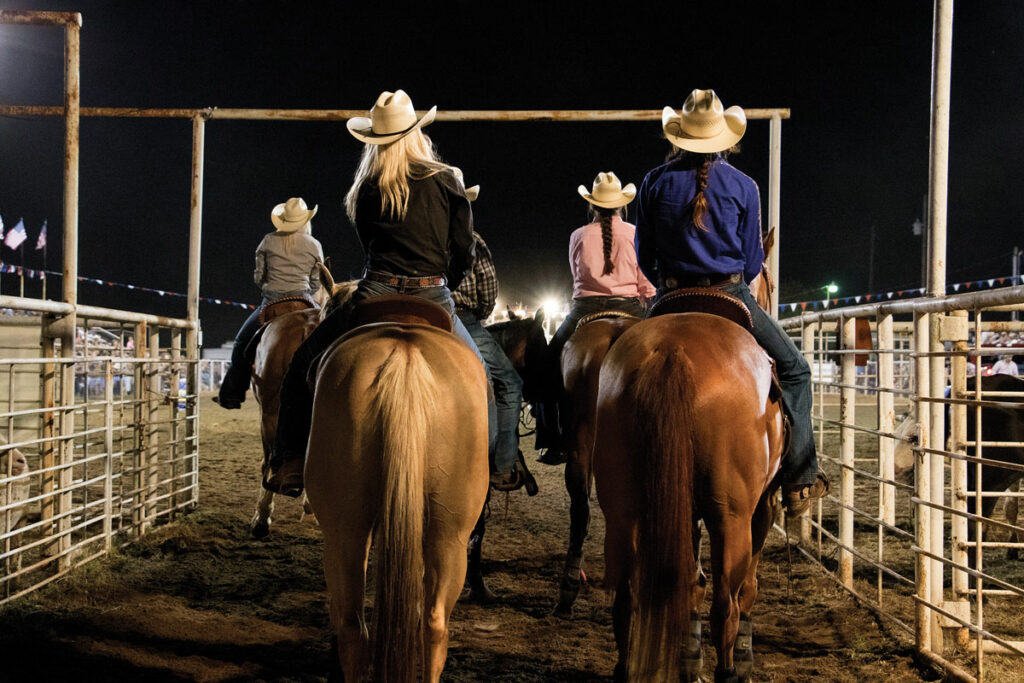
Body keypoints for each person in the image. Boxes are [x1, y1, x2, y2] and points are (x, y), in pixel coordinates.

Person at [264, 89, 484, 496]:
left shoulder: (366, 186)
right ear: (418, 132)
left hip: (375, 290)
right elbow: (465, 248)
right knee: (482, 377)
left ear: (376, 140)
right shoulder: (447, 179)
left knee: (301, 364)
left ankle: (290, 460)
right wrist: (444, 283)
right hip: (432, 294)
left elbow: (369, 248)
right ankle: (483, 463)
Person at [635, 88, 829, 516]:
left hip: (670, 295)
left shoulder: (653, 182)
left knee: (618, 373)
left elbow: (644, 254)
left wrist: (666, 283)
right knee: (796, 370)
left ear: (679, 137)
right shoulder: (744, 186)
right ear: (725, 138)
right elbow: (753, 260)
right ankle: (799, 478)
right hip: (728, 292)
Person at [534, 171, 656, 465]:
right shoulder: (636, 232)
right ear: (621, 206)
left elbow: (578, 277)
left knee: (546, 367)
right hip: (630, 307)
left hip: (585, 308)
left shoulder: (577, 235)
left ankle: (552, 438)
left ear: (592, 206)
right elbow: (646, 284)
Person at [449, 171, 526, 490]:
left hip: (418, 311)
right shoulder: (473, 240)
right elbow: (489, 289)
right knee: (508, 381)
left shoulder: (422, 233)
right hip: (461, 317)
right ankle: (502, 463)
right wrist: (478, 314)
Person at [215, 197, 323, 409]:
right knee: (332, 335)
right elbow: (316, 281)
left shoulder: (267, 241)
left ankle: (232, 394)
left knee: (241, 343)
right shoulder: (313, 244)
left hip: (272, 302)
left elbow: (258, 278)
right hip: (304, 299)